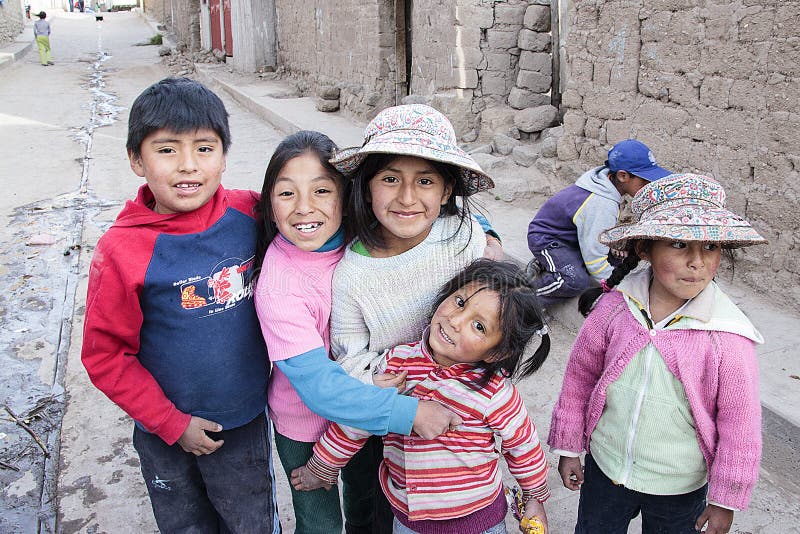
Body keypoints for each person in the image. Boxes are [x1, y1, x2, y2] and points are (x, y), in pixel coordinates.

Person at [81, 78, 279, 533]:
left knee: (251, 521)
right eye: (167, 150)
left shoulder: (250, 214)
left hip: (242, 421)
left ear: (224, 156)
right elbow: (105, 355)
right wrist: (170, 422)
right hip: (164, 433)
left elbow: (316, 223)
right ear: (136, 159)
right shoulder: (122, 251)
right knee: (185, 524)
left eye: (204, 149)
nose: (188, 165)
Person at [253, 130, 462, 533]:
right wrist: (409, 412)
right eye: (287, 194)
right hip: (307, 422)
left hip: (368, 412)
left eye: (321, 191)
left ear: (348, 196)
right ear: (270, 205)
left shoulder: (359, 233)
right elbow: (318, 387)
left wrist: (487, 231)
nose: (304, 207)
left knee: (366, 503)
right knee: (321, 524)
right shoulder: (280, 285)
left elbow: (430, 212)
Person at [548, 173, 767, 534]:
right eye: (679, 244)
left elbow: (739, 424)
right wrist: (569, 447)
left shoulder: (727, 336)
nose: (697, 261)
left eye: (710, 247)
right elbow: (580, 378)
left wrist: (725, 498)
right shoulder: (615, 309)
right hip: (606, 468)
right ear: (644, 249)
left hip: (679, 486)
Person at [327, 103, 498, 532]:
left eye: (425, 181)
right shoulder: (352, 275)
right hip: (387, 420)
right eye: (390, 179)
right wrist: (389, 385)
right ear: (367, 187)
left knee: (461, 503)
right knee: (375, 505)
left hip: (462, 415)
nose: (407, 198)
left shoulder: (463, 236)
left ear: (446, 191)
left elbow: (495, 305)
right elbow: (349, 359)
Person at [292, 259, 552, 534]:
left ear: (496, 352)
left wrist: (535, 497)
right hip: (408, 522)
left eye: (479, 326)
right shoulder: (398, 363)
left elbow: (523, 444)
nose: (455, 321)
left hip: (479, 521)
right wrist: (323, 466)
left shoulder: (495, 392)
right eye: (460, 302)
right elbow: (360, 419)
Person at [526, 139, 672, 308]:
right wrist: (619, 287)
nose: (649, 185)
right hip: (547, 239)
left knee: (619, 261)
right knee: (574, 280)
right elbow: (595, 263)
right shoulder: (601, 204)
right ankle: (523, 301)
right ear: (623, 176)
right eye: (644, 181)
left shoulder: (605, 182)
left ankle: (553, 262)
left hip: (570, 238)